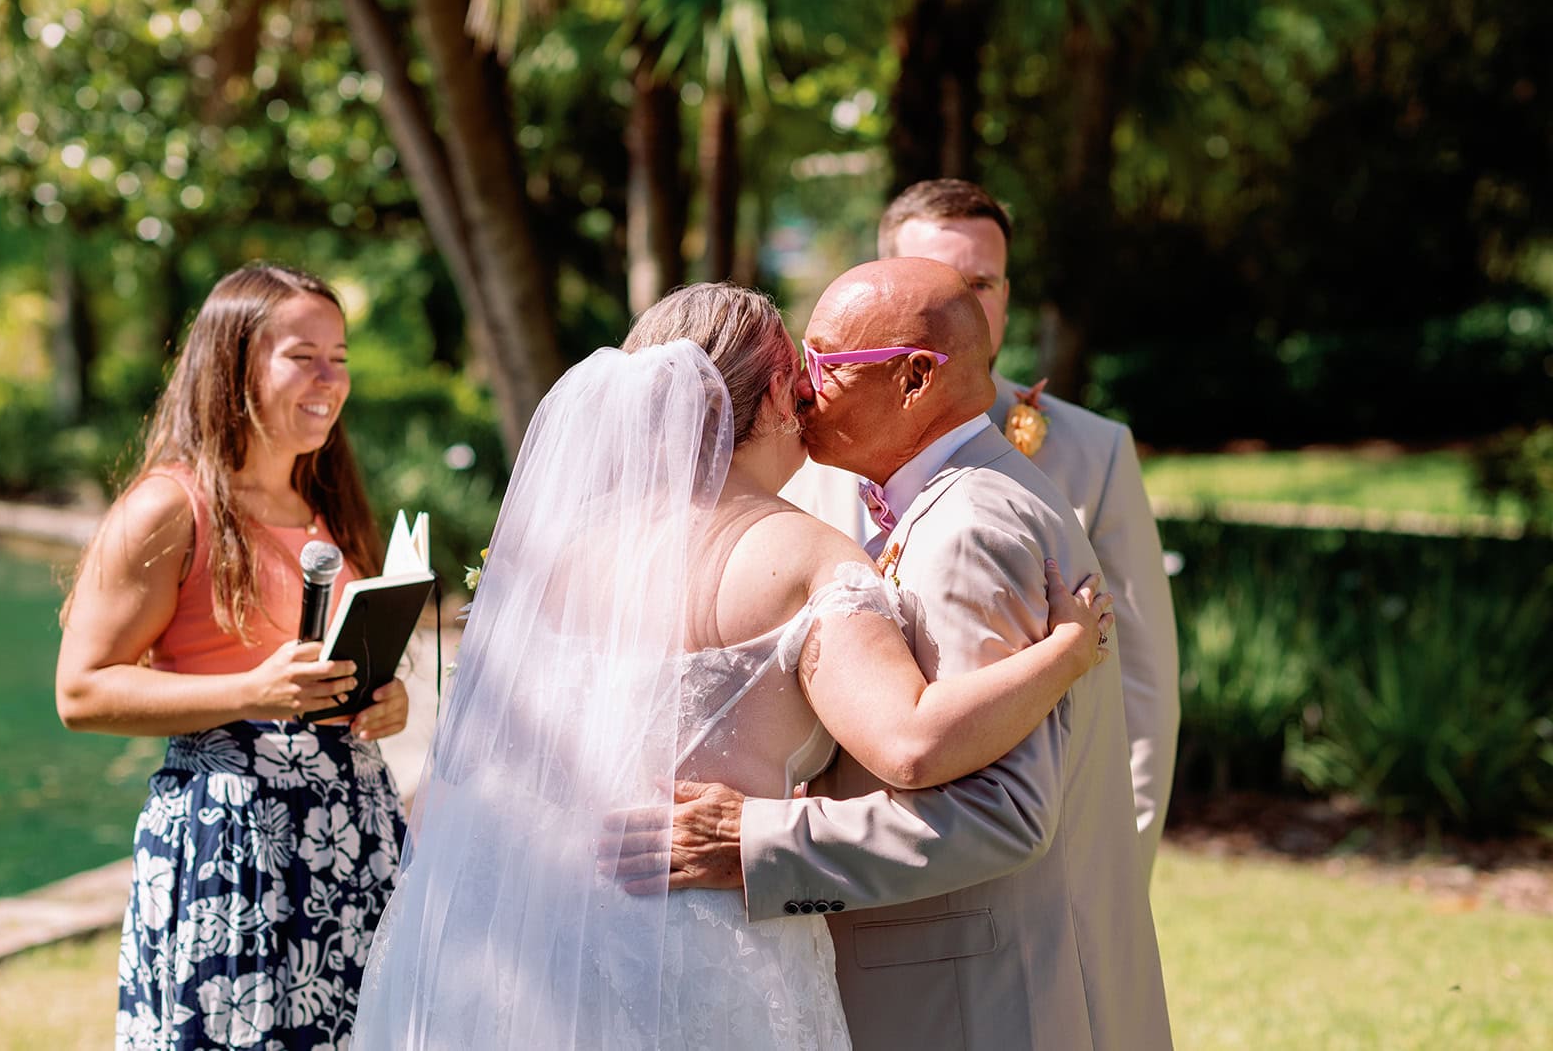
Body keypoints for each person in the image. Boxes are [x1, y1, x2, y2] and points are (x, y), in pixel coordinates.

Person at [351, 282, 1116, 1050]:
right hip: (704, 956)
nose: (815, 397)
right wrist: (1064, 653)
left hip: (529, 951)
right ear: (780, 393)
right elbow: (911, 746)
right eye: (806, 375)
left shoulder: (554, 552)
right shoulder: (802, 554)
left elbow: (462, 771)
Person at [645, 260, 1173, 1050]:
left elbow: (1001, 814)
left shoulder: (970, 533)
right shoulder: (955, 504)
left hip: (968, 1001)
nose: (801, 388)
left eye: (823, 364)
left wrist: (756, 842)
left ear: (917, 379)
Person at [783, 178, 1180, 884]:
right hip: (848, 874)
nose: (964, 298)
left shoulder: (1094, 452)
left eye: (982, 282)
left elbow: (1141, 682)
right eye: (937, 277)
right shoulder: (802, 448)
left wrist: (1119, 864)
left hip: (1012, 881)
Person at [55, 264, 410, 1050]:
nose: (330, 380)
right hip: (234, 846)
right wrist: (253, 690)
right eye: (303, 356)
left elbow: (326, 672)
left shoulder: (328, 507)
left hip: (350, 840)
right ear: (235, 363)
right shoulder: (167, 507)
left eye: (341, 357)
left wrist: (386, 701)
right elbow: (79, 693)